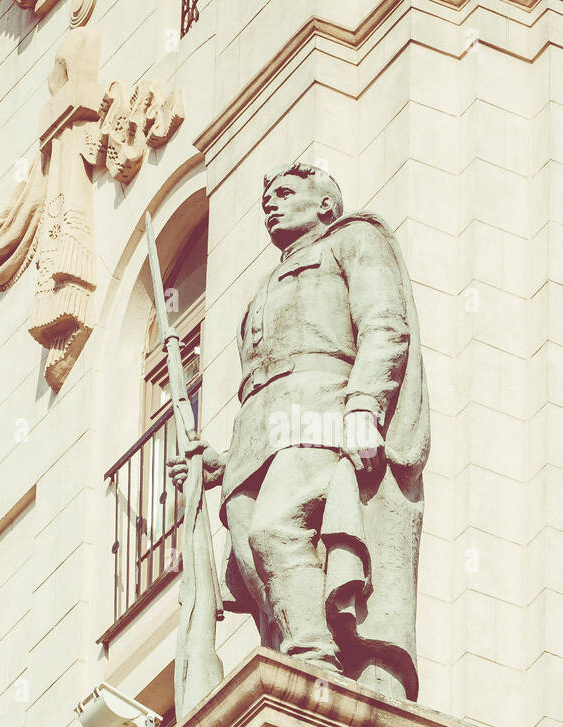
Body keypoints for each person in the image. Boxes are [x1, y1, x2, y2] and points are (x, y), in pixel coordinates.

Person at [169, 163, 429, 700]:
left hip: (320, 409)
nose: (272, 203)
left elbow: (385, 324)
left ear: (325, 204)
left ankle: (315, 664)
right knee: (253, 556)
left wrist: (364, 406)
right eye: (268, 197)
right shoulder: (264, 285)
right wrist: (221, 462)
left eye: (286, 193)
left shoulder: (353, 240)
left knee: (276, 527)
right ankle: (300, 656)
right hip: (255, 433)